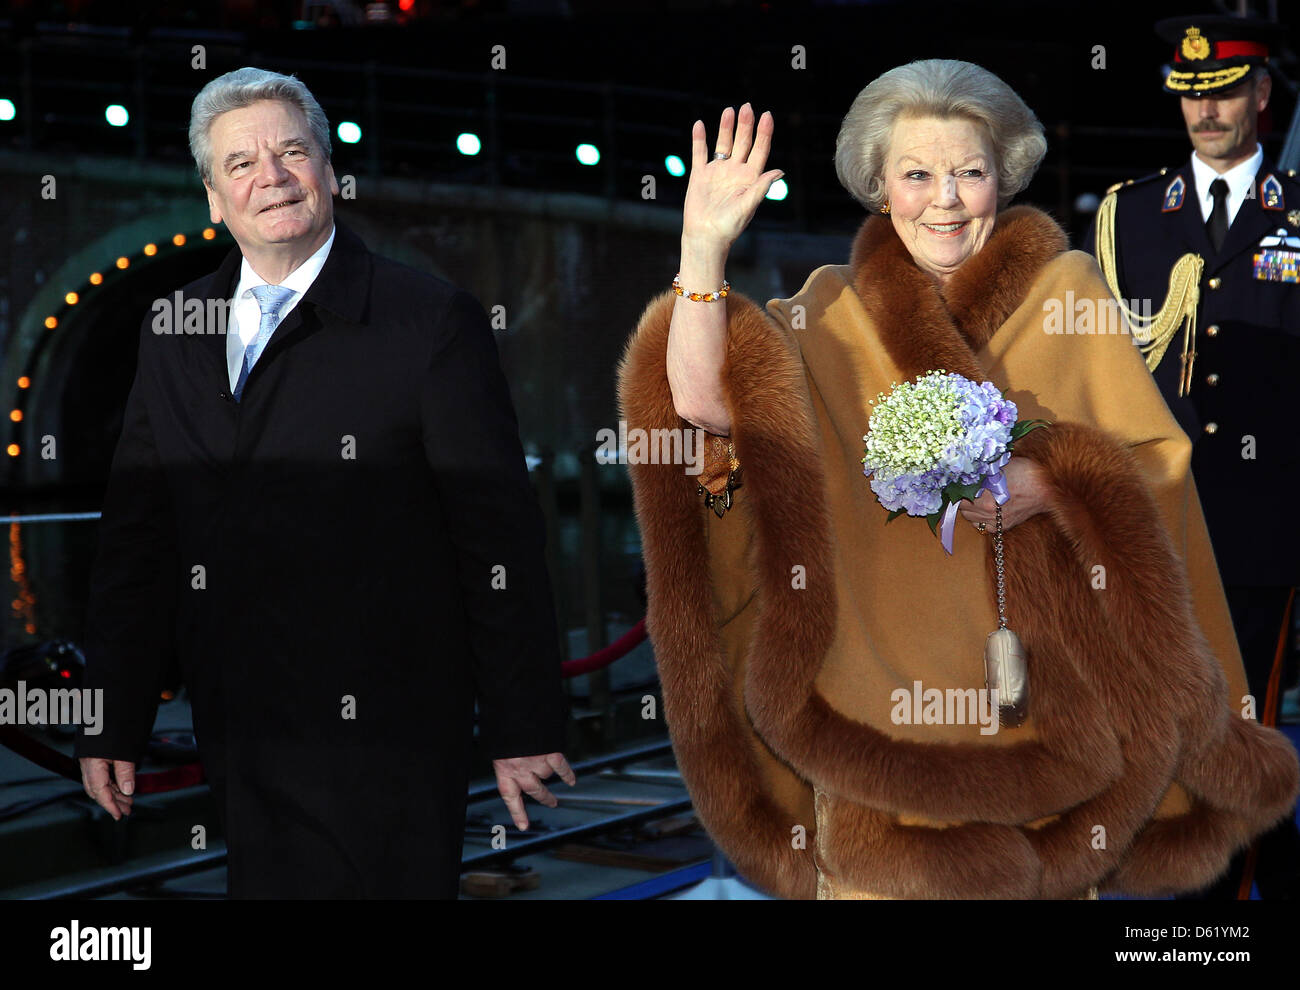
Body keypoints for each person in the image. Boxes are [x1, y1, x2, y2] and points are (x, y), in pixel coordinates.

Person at [617, 59, 1299, 899]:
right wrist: (703, 247)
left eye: (970, 172)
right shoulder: (827, 311)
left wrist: (1053, 482)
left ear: (1001, 179)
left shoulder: (1068, 292)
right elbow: (704, 408)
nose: (945, 197)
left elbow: (1158, 470)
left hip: (1047, 752)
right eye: (918, 174)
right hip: (875, 749)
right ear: (879, 185)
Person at [73, 66, 574, 898]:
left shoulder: (427, 319)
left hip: (390, 732)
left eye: (291, 152)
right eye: (240, 165)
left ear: (330, 173)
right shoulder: (174, 331)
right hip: (240, 730)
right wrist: (110, 716)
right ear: (212, 199)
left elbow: (497, 535)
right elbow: (137, 542)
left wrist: (521, 723)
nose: (269, 176)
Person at [1085, 14, 1300, 899]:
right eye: (1190, 97)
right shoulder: (1131, 213)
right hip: (1158, 518)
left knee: (1240, 715)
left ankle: (1216, 898)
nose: (1205, 113)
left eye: (1221, 95)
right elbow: (1100, 366)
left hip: (1264, 525)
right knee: (1170, 715)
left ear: (1259, 96)